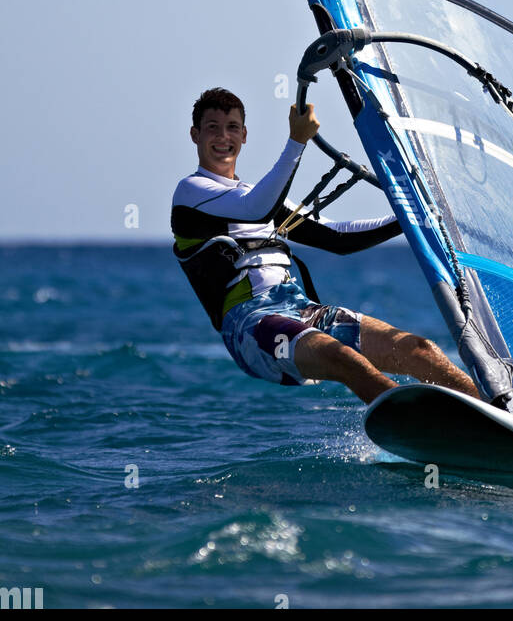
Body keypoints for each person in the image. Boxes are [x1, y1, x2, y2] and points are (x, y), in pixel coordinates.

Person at [171, 87, 480, 405]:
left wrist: (413, 215)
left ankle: (498, 414)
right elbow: (255, 209)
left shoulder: (258, 194)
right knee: (345, 359)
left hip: (299, 308)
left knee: (418, 350)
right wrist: (297, 141)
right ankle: (422, 430)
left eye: (232, 127)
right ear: (195, 134)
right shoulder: (191, 193)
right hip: (252, 326)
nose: (223, 137)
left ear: (244, 135)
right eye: (212, 128)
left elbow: (337, 237)